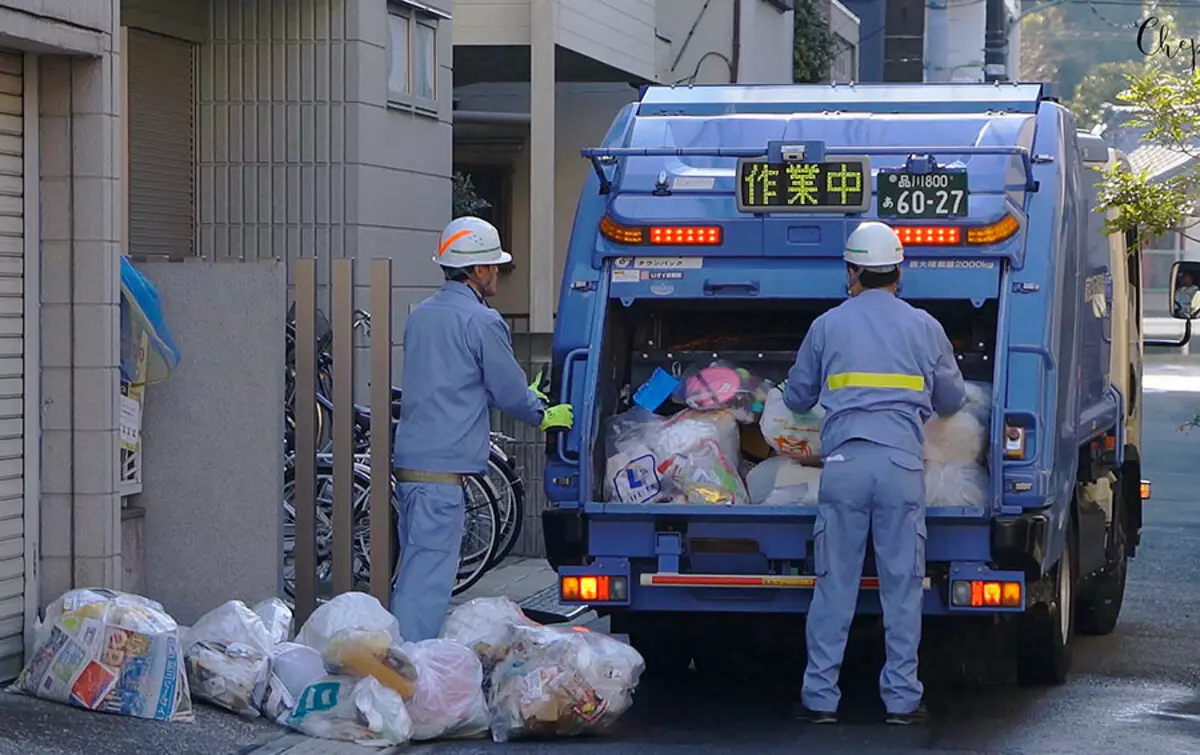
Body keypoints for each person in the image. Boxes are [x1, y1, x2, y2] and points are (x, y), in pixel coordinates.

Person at [782, 221, 966, 726]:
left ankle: (820, 699)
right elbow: (952, 398)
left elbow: (797, 397)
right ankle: (902, 701)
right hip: (902, 466)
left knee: (834, 586)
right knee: (902, 588)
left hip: (843, 465)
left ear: (852, 272)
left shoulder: (827, 324)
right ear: (898, 273)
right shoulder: (925, 326)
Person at [390, 216, 575, 642]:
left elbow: (452, 385)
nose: (497, 273)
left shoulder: (422, 316)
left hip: (413, 464)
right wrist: (541, 412)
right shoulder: (482, 321)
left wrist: (501, 394)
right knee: (429, 581)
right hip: (444, 476)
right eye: (492, 265)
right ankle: (409, 677)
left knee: (415, 570)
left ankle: (402, 665)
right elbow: (510, 392)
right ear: (475, 271)